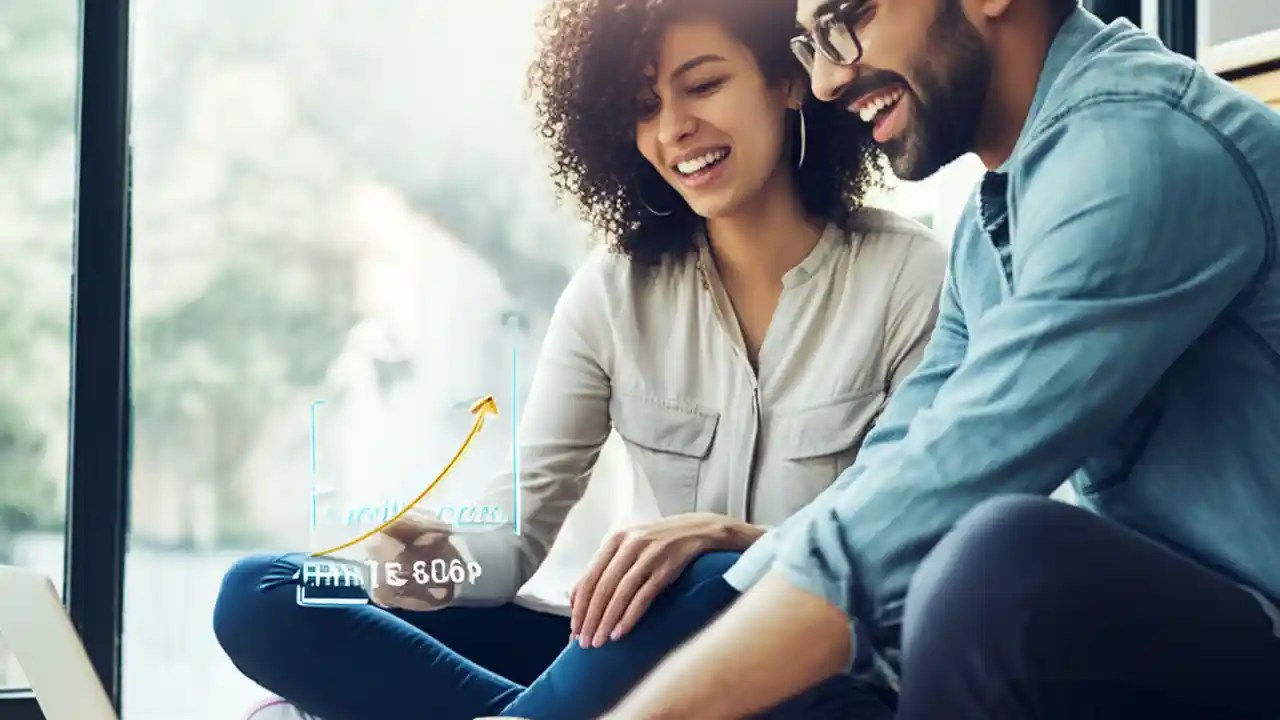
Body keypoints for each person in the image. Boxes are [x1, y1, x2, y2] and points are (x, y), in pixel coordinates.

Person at [211, 0, 947, 716]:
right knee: (264, 595)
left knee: (717, 573)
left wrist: (732, 538)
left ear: (787, 82)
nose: (674, 128)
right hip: (628, 664)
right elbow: (514, 540)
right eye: (642, 105)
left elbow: (916, 548)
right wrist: (410, 560)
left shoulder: (909, 279)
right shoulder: (613, 290)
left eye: (703, 85)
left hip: (824, 677)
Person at [595, 0, 1280, 718]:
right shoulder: (988, 236)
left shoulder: (1140, 151)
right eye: (812, 44)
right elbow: (894, 471)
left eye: (849, 17)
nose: (827, 80)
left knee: (1006, 570)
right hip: (1187, 647)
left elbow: (946, 490)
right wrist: (736, 553)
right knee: (761, 606)